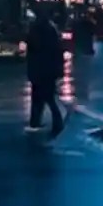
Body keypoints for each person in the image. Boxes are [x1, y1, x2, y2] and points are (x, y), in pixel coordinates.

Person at [25, 7, 67, 136]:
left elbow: (33, 47)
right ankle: (38, 121)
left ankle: (42, 122)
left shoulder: (37, 29)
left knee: (42, 96)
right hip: (47, 69)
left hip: (40, 68)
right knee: (45, 96)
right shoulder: (51, 29)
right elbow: (58, 50)